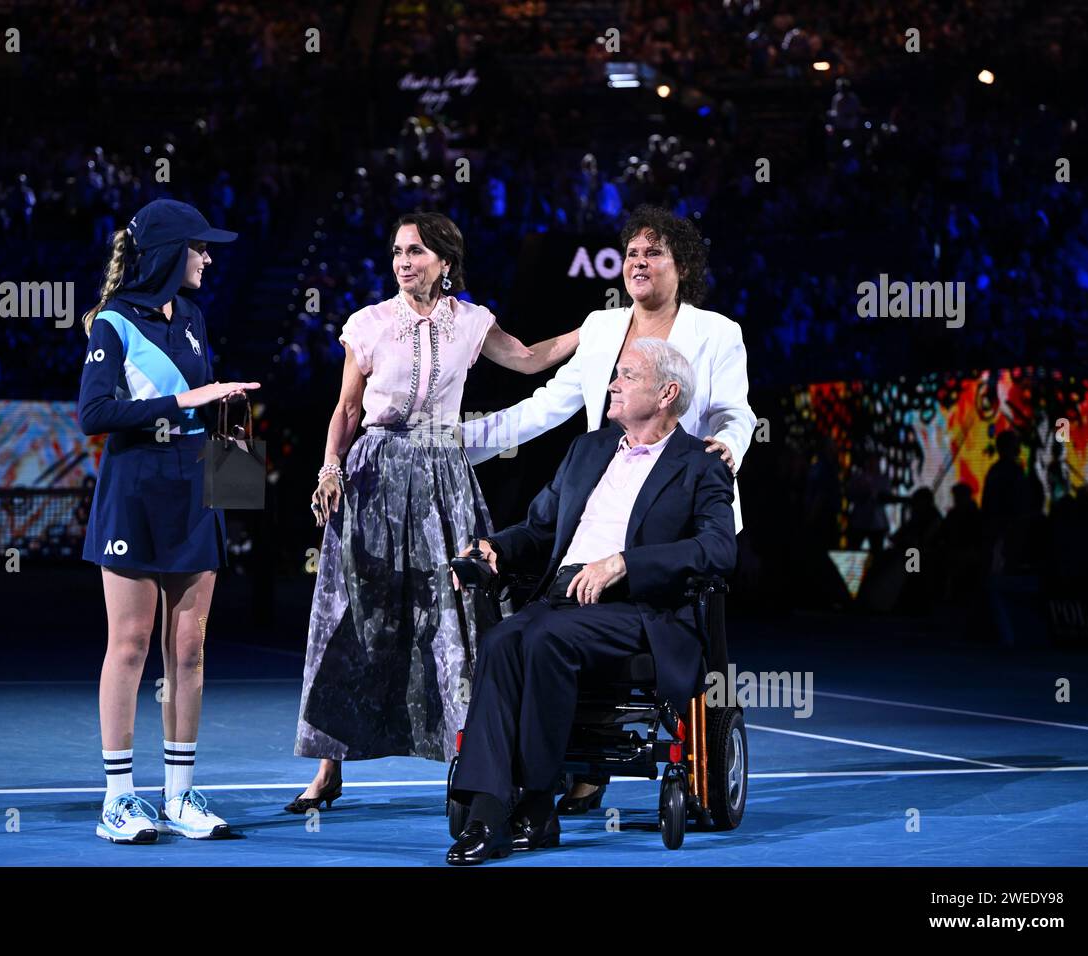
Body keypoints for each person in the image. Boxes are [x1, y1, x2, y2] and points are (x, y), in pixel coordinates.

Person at [460, 203, 755, 812]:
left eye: (654, 253)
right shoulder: (601, 329)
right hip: (604, 493)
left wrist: (725, 447)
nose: (639, 263)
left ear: (682, 266)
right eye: (631, 254)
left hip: (677, 506)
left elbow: (735, 411)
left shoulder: (716, 332)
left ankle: (551, 788)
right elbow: (543, 406)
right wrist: (458, 441)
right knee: (527, 628)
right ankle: (552, 775)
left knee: (553, 633)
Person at [289, 211, 580, 813]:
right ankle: (328, 767)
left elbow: (527, 359)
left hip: (444, 476)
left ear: (444, 262)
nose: (403, 262)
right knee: (355, 613)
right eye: (397, 251)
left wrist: (597, 331)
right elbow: (346, 409)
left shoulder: (472, 322)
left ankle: (467, 759)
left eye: (416, 251)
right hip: (375, 476)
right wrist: (329, 467)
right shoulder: (368, 324)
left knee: (454, 614)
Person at [446, 339, 736, 864]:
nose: (612, 385)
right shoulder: (590, 449)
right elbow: (538, 528)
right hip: (561, 599)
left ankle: (534, 805)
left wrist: (625, 562)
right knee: (502, 640)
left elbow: (719, 548)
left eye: (627, 376)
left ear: (667, 392)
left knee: (540, 638)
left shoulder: (701, 464)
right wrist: (494, 547)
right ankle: (488, 813)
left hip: (639, 609)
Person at [77, 198, 260, 843]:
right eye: (199, 248)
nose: (208, 258)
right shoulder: (112, 324)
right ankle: (118, 801)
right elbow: (95, 413)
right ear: (167, 253)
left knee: (188, 648)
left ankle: (180, 796)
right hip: (133, 492)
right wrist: (184, 399)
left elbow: (200, 409)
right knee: (128, 646)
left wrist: (230, 435)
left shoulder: (192, 318)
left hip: (193, 489)